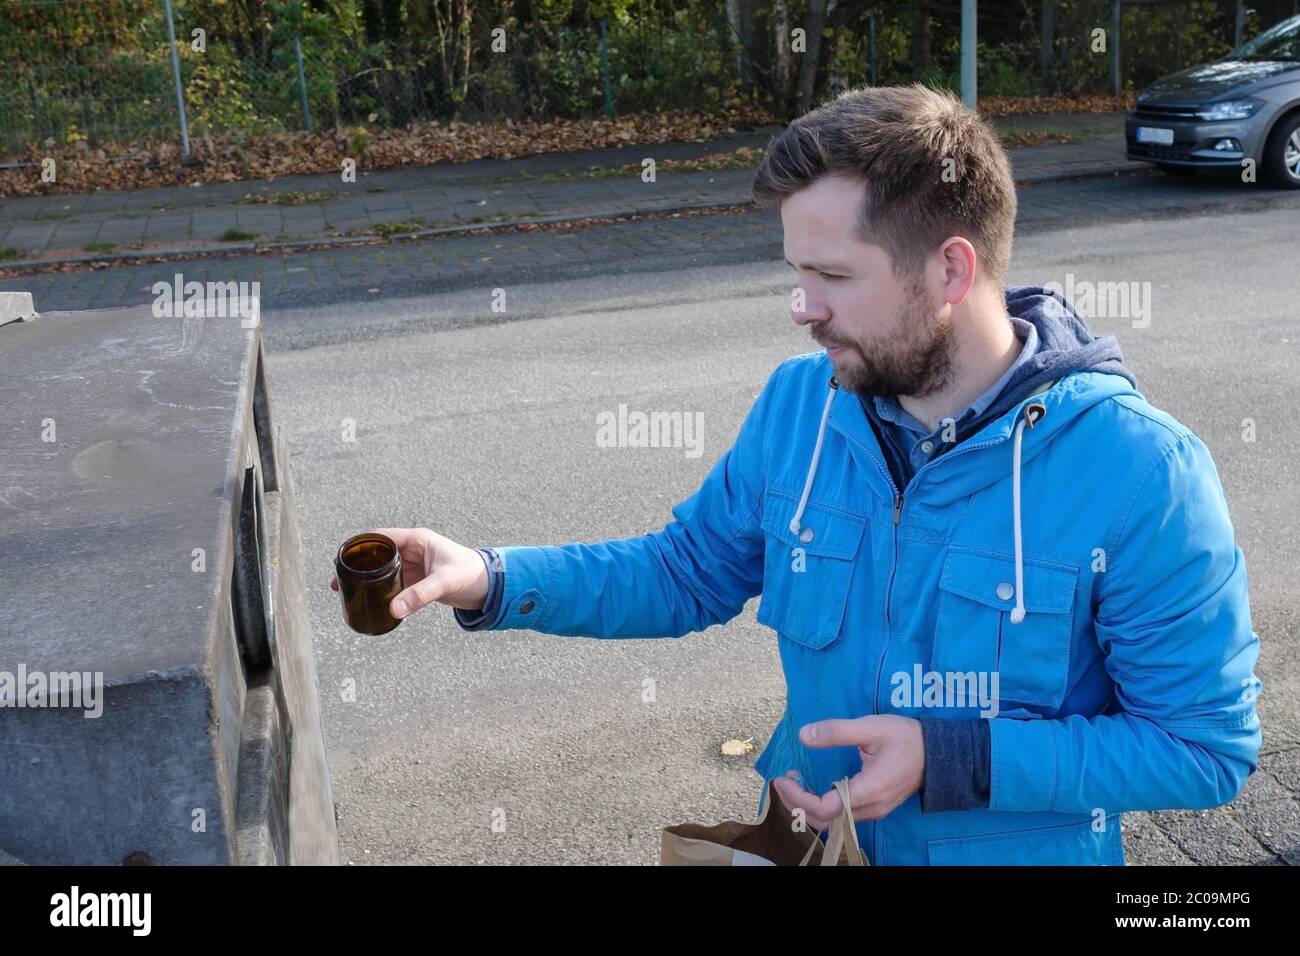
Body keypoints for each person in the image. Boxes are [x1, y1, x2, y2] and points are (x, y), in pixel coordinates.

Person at [333, 85, 1262, 865]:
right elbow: (686, 570)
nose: (801, 309)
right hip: (812, 847)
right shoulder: (800, 406)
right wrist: (490, 578)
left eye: (832, 276)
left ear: (949, 270)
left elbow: (1202, 748)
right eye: (795, 272)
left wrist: (959, 757)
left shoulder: (1144, 473)